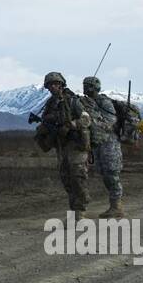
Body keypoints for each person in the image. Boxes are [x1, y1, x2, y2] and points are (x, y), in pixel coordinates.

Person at [35, 72, 92, 219]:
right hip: (61, 145)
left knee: (78, 177)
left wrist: (71, 125)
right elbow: (46, 121)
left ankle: (80, 211)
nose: (52, 87)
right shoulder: (50, 104)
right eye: (50, 85)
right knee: (66, 178)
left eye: (55, 84)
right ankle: (74, 210)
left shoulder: (73, 101)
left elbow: (86, 120)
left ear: (61, 84)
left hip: (76, 144)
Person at [80, 76, 125, 218]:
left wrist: (92, 117)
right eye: (85, 85)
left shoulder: (104, 102)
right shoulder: (86, 102)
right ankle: (114, 205)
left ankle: (117, 206)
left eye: (89, 86)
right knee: (105, 175)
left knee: (112, 173)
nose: (86, 88)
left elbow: (111, 122)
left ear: (96, 87)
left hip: (109, 142)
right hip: (98, 143)